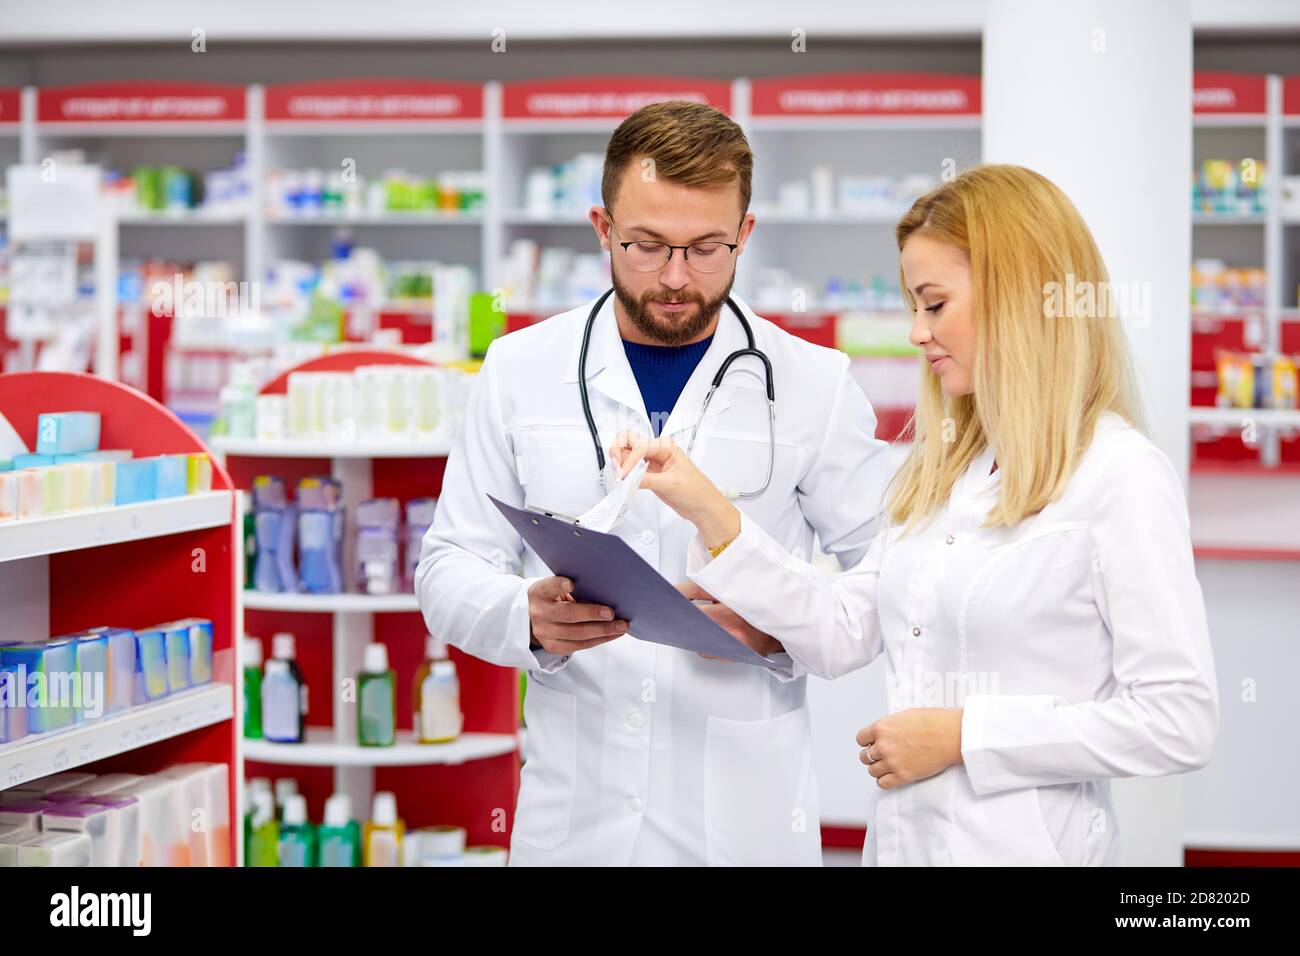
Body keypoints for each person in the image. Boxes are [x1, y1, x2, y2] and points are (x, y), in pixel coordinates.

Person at [611, 164, 1220, 866]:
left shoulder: (1118, 475)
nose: (916, 332)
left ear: (1018, 299)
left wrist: (964, 736)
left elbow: (1180, 720)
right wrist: (709, 511)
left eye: (934, 305)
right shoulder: (948, 466)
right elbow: (847, 626)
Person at [415, 101, 893, 865]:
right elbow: (444, 569)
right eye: (646, 246)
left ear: (747, 234)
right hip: (576, 812)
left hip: (743, 813)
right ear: (602, 229)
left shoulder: (815, 384)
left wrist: (781, 625)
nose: (676, 278)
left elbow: (893, 583)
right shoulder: (519, 368)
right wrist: (524, 616)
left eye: (708, 248)